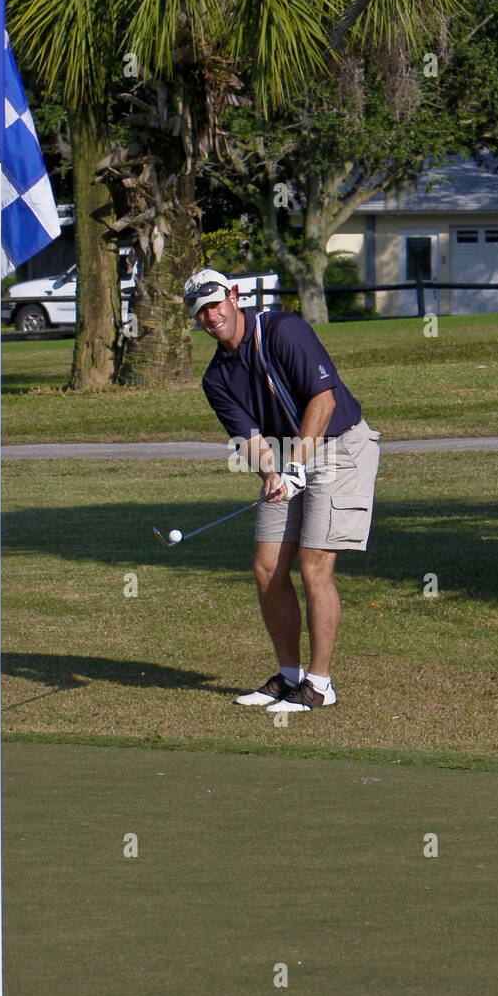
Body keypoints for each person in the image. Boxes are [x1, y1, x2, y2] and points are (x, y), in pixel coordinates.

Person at [183, 267, 381, 713]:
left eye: (215, 304)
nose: (211, 316)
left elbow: (324, 400)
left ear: (233, 296)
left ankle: (320, 684)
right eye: (200, 312)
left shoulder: (284, 329)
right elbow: (251, 442)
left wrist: (294, 466)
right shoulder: (216, 379)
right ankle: (289, 676)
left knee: (314, 567)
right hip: (286, 458)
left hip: (338, 446)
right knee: (267, 567)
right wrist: (273, 475)